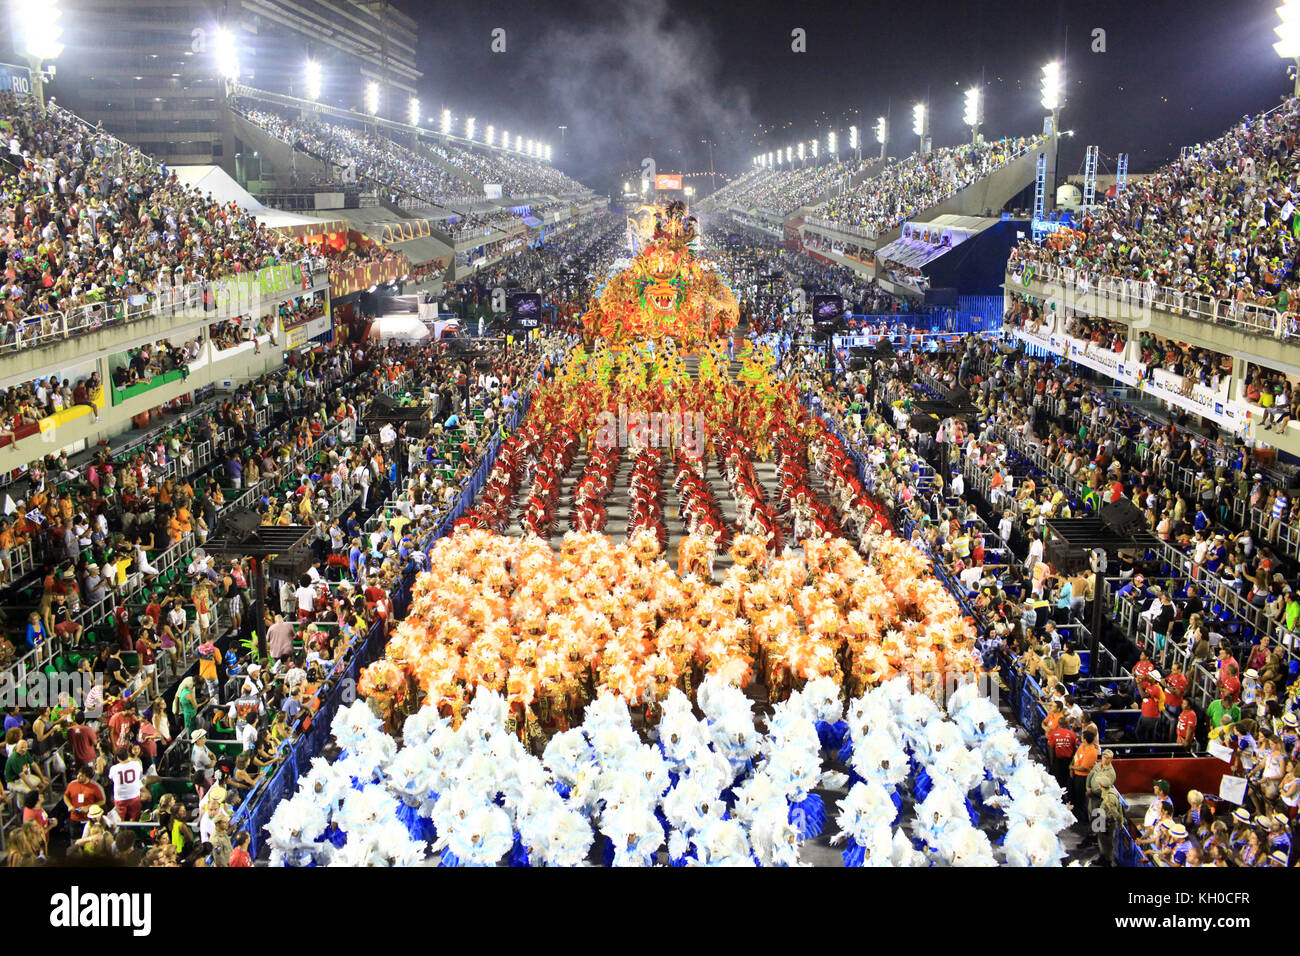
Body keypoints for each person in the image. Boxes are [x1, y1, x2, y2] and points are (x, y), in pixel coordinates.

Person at [107, 746, 144, 822]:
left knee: (121, 821)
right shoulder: (136, 764)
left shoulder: (114, 768)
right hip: (134, 796)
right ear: (127, 754)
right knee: (135, 820)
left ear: (117, 758)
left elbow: (111, 779)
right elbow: (140, 776)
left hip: (121, 798)